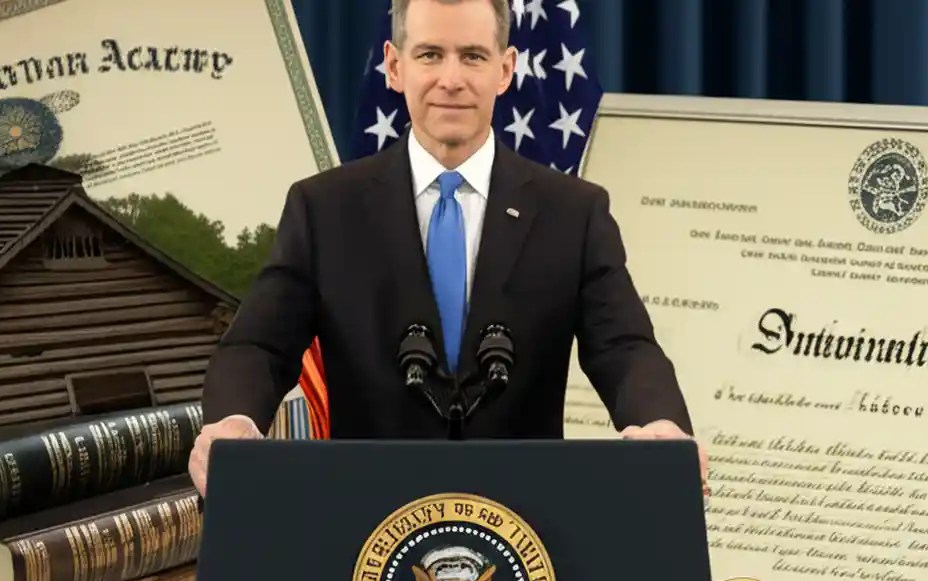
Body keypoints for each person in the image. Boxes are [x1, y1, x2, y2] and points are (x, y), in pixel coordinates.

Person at [189, 0, 708, 495]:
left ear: (505, 69)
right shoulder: (323, 209)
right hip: (365, 514)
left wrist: (659, 424)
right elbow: (259, 346)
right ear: (395, 67)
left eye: (473, 56)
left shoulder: (573, 212)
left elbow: (624, 348)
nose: (451, 79)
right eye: (430, 54)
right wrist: (234, 420)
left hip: (524, 517)